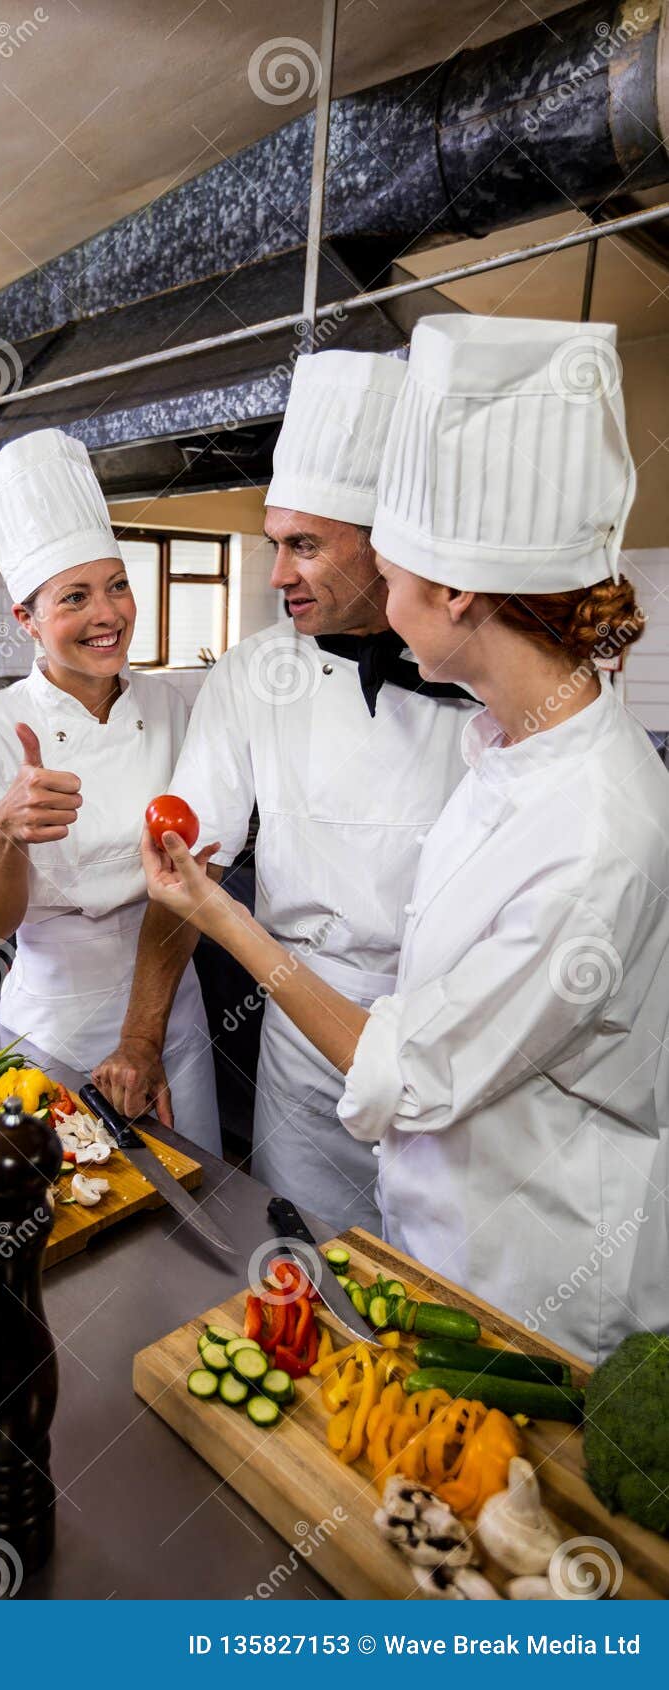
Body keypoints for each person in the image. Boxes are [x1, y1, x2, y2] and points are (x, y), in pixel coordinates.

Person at [141, 312, 669, 1365]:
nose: (372, 594)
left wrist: (217, 917)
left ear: (455, 590)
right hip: (425, 1174)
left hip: (530, 1260)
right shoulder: (510, 745)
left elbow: (408, 1065)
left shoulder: (589, 826)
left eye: (385, 562)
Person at [95, 351, 475, 1232]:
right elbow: (185, 867)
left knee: (440, 1315)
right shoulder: (250, 675)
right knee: (301, 1273)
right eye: (276, 544)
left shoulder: (479, 675)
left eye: (303, 545)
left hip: (456, 1041)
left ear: (386, 544)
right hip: (304, 1040)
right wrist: (142, 1039)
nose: (275, 575)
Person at [0, 428, 221, 1153]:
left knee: (191, 1201)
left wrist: (143, 1033)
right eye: (75, 597)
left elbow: (195, 874)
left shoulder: (169, 710)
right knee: (67, 1204)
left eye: (117, 585)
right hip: (53, 1018)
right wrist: (5, 831)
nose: (108, 614)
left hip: (166, 1006)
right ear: (26, 622)